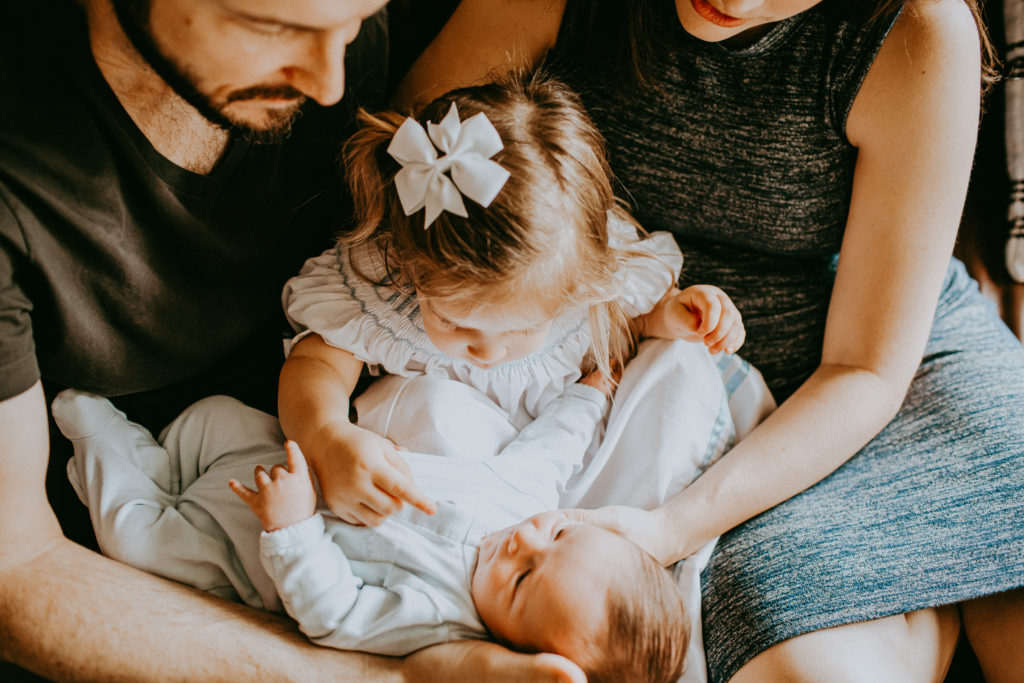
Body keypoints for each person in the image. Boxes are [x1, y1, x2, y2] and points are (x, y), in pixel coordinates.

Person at [392, 1, 1024, 682]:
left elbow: (864, 369)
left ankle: (941, 596)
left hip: (893, 374)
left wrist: (672, 529)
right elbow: (402, 175)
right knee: (800, 671)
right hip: (689, 395)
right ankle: (930, 608)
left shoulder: (918, 28)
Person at [0, 1, 539, 681]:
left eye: (357, 19)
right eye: (273, 27)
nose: (330, 85)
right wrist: (396, 676)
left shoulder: (331, 29)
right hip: (157, 537)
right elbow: (15, 565)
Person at [276, 72, 746, 529]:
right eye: (454, 323)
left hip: (565, 463)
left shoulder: (581, 280)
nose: (489, 352)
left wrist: (671, 315)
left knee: (678, 368)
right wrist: (326, 435)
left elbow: (626, 324)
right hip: (453, 474)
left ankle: (604, 535)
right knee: (431, 407)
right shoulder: (385, 291)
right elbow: (315, 364)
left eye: (523, 329)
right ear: (410, 267)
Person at [50, 365, 692, 683]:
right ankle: (155, 458)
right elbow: (554, 448)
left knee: (136, 541)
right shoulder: (522, 496)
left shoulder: (437, 617)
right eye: (558, 535)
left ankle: (102, 441)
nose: (522, 541)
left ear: (514, 648)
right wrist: (593, 391)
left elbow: (336, 612)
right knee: (214, 417)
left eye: (523, 580)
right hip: (278, 456)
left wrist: (294, 529)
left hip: (234, 546)